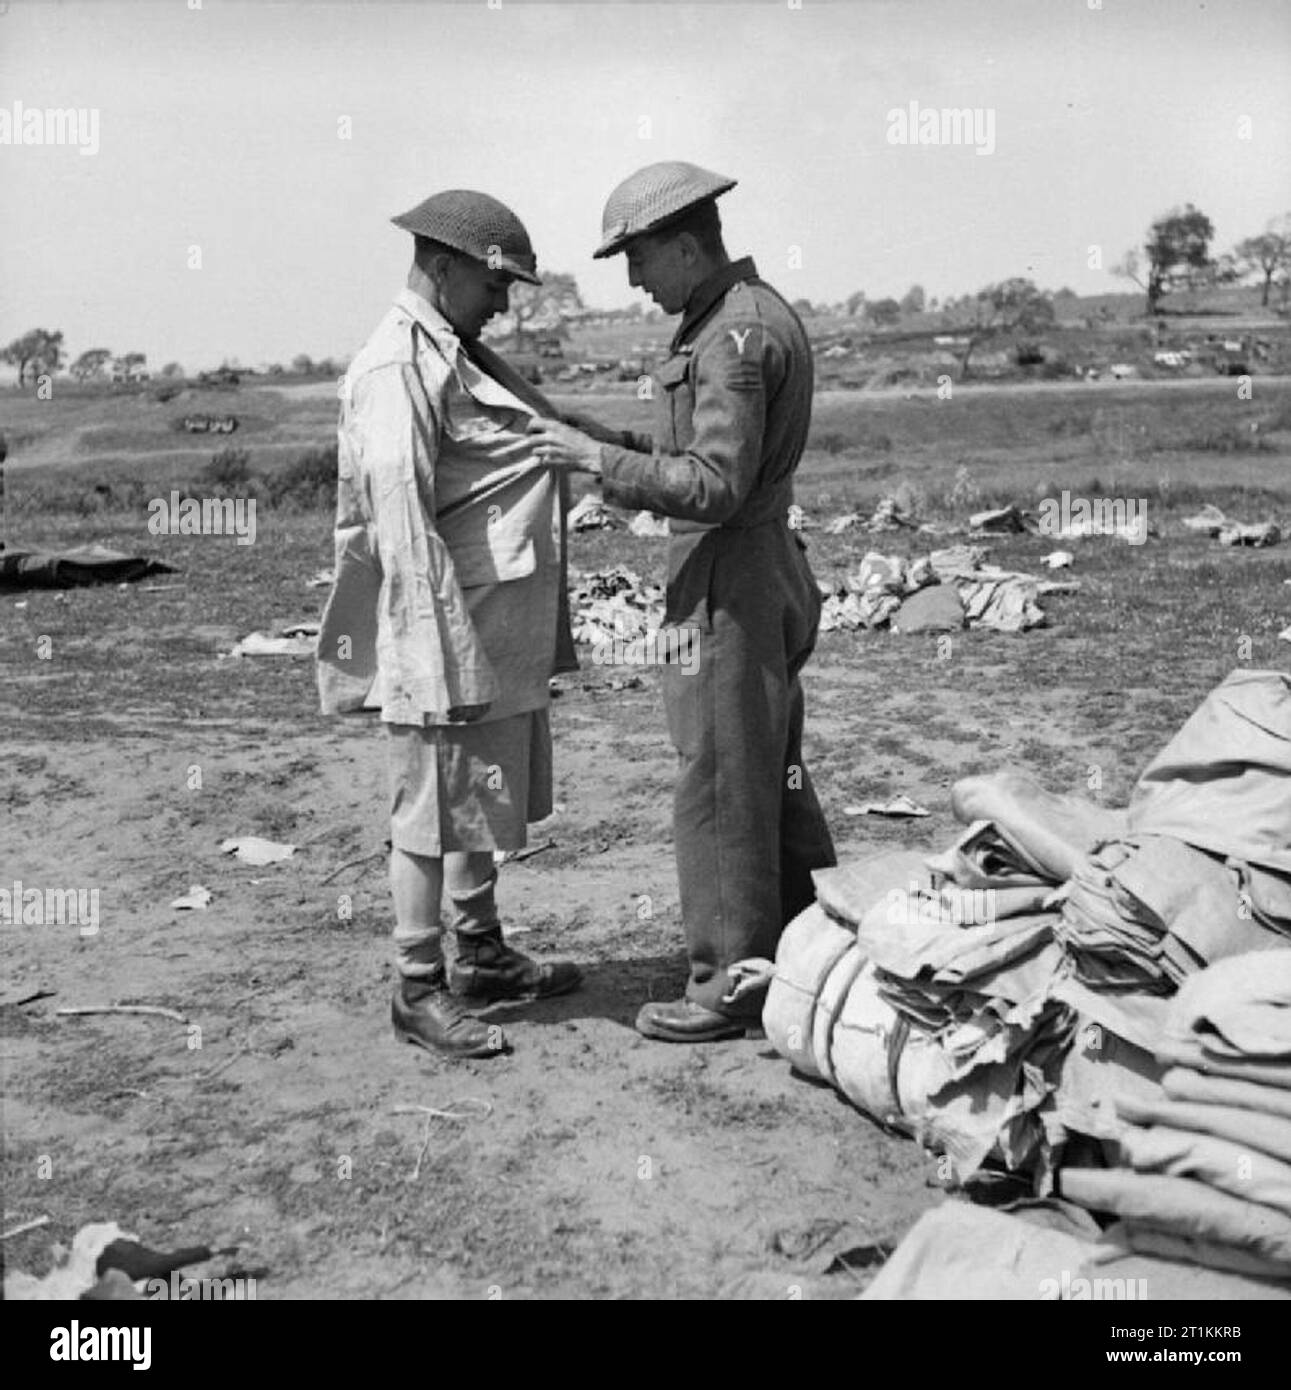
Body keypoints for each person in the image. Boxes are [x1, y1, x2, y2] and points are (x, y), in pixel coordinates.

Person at [529, 161, 836, 1043]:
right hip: (750, 568)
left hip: (728, 578)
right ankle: (805, 945)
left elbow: (714, 484)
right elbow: (694, 453)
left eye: (638, 256)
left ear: (686, 244)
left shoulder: (731, 338)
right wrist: (597, 439)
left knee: (719, 782)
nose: (632, 278)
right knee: (765, 769)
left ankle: (726, 986)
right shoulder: (740, 318)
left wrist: (598, 467)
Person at [317, 189, 581, 1060]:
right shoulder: (398, 366)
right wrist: (438, 660)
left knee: (473, 800)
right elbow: (399, 522)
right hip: (442, 626)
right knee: (428, 816)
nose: (504, 299)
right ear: (443, 266)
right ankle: (417, 989)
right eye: (495, 281)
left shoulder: (454, 352)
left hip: (484, 620)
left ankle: (482, 955)